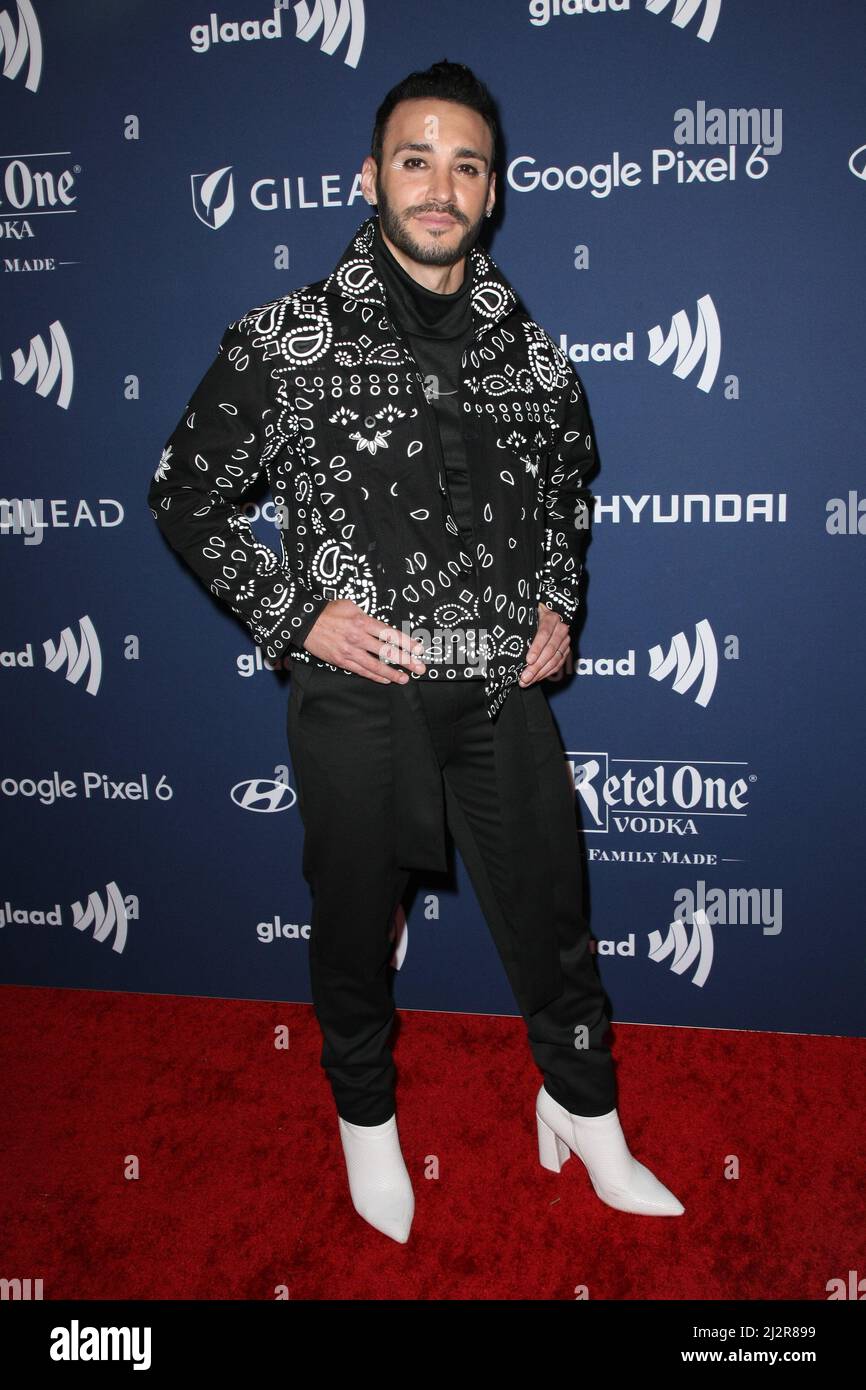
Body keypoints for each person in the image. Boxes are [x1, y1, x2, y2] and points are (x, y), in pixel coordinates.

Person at [147, 59, 684, 1244]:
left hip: (499, 691)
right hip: (357, 696)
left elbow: (565, 497)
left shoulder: (531, 355)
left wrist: (557, 603)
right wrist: (293, 614)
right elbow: (183, 493)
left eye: (464, 164)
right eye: (414, 158)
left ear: (491, 192)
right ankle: (366, 1123)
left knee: (552, 912)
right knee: (353, 922)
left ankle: (582, 1108)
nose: (439, 186)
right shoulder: (284, 337)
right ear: (370, 176)